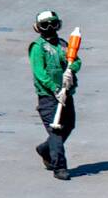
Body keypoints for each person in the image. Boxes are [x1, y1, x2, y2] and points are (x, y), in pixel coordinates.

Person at [29, 10, 81, 181]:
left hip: (66, 93)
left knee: (69, 125)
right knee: (56, 132)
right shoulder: (37, 48)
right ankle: (59, 167)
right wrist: (54, 89)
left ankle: (45, 149)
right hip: (48, 97)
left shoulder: (63, 44)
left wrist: (71, 70)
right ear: (38, 28)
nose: (50, 28)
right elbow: (39, 72)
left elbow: (77, 60)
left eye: (53, 24)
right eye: (45, 25)